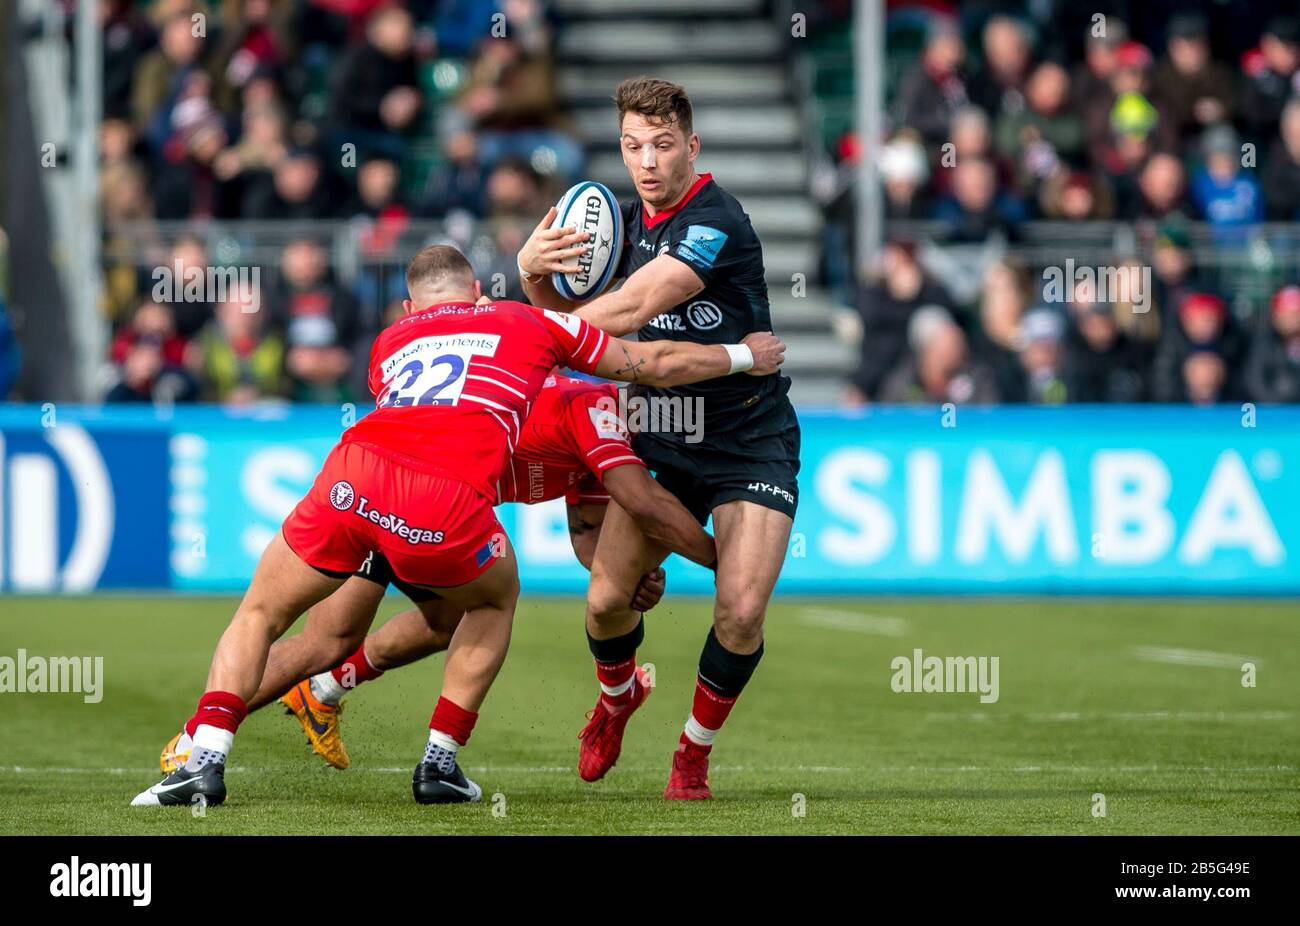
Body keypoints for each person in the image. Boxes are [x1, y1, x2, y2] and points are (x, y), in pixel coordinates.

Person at [131, 244, 785, 808]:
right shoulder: (548, 349)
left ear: (410, 309)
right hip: (441, 502)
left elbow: (591, 531)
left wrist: (626, 571)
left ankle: (202, 750)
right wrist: (740, 355)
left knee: (280, 618)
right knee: (490, 599)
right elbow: (653, 369)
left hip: (356, 478)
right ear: (477, 292)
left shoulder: (390, 342)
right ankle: (437, 760)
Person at [159, 374, 705, 771]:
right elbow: (643, 501)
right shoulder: (598, 410)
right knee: (331, 639)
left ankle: (319, 692)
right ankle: (196, 739)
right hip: (407, 487)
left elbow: (588, 538)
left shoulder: (604, 449)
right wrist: (720, 560)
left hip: (428, 505)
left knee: (442, 621)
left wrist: (628, 575)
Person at [516, 78, 801, 799]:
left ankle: (692, 754)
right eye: (633, 145)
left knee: (740, 611)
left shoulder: (716, 220)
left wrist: (519, 326)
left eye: (663, 145)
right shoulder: (613, 224)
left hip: (749, 438)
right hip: (661, 437)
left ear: (691, 146)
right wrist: (530, 273)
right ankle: (617, 702)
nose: (647, 162)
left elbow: (632, 307)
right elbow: (570, 322)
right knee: (606, 601)